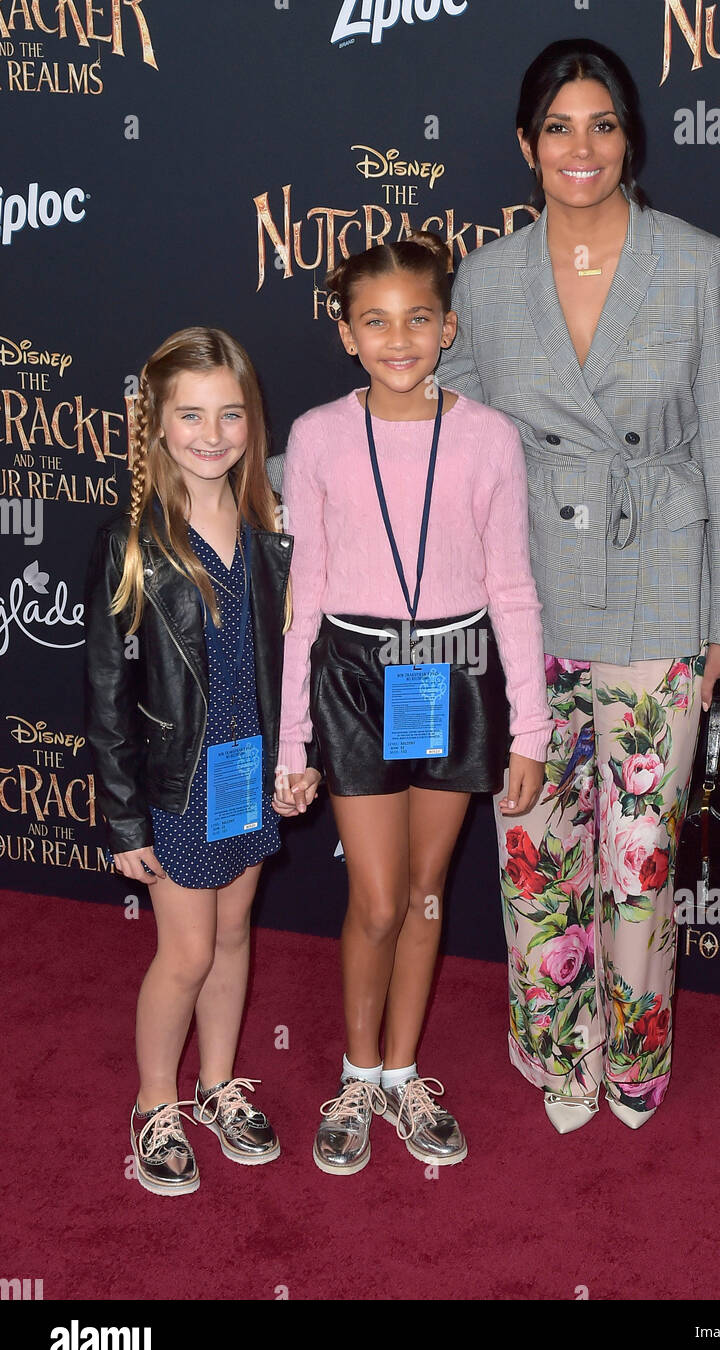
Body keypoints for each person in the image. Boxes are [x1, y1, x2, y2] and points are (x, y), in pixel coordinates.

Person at [436, 38, 720, 1132]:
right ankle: (551, 1050)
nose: (582, 148)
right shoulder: (482, 280)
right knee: (533, 843)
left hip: (660, 579)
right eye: (559, 128)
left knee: (637, 848)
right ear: (525, 147)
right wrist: (290, 479)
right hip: (525, 592)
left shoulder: (694, 261)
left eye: (603, 125)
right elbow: (441, 439)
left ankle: (632, 1055)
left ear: (631, 138)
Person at [275, 231, 552, 1174]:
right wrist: (291, 740)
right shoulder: (315, 436)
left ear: (449, 327)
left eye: (420, 319)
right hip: (353, 671)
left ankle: (401, 1075)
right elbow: (302, 598)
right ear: (347, 333)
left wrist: (532, 726)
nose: (400, 340)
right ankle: (355, 1075)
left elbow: (514, 588)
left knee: (428, 894)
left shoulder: (488, 437)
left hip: (455, 669)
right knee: (380, 897)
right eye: (376, 322)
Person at [84, 327, 321, 1195]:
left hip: (248, 774)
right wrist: (123, 817)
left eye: (230, 414)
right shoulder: (135, 542)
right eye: (191, 415)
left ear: (253, 423)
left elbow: (291, 658)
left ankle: (217, 1086)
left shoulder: (271, 530)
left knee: (231, 935)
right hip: (177, 786)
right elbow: (108, 694)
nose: (212, 434)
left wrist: (294, 757)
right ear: (157, 423)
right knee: (182, 954)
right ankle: (155, 1103)